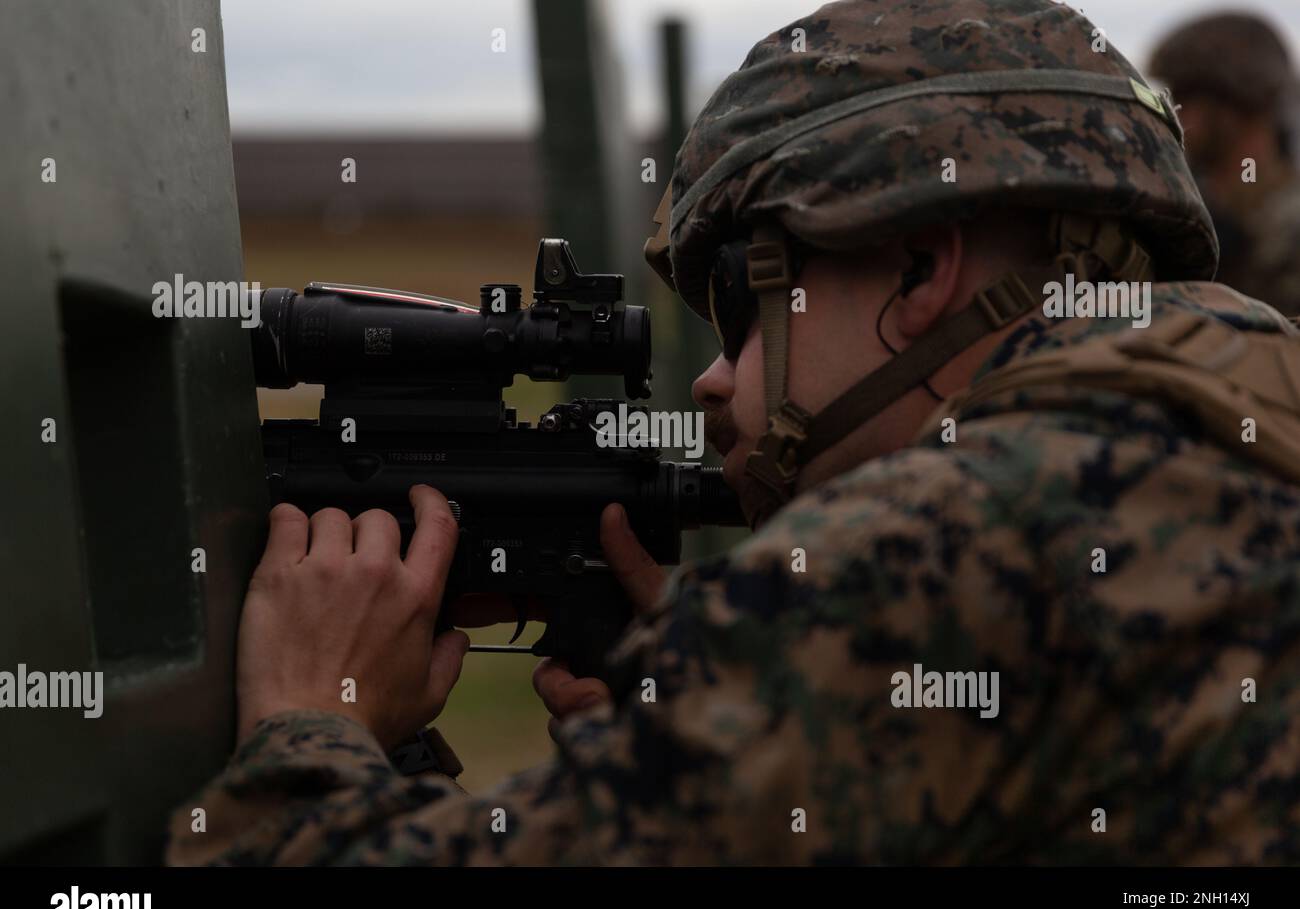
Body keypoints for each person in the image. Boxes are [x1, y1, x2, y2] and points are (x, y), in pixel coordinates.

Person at [167, 0, 1300, 865]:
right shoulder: (1244, 411)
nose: (713, 377)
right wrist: (708, 749)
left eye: (743, 301)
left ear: (918, 266)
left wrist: (306, 724)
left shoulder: (936, 544)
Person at [1149, 11, 1300, 315]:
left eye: (1185, 95)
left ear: (1237, 101)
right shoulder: (1192, 214)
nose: (1174, 110)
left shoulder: (1288, 230)